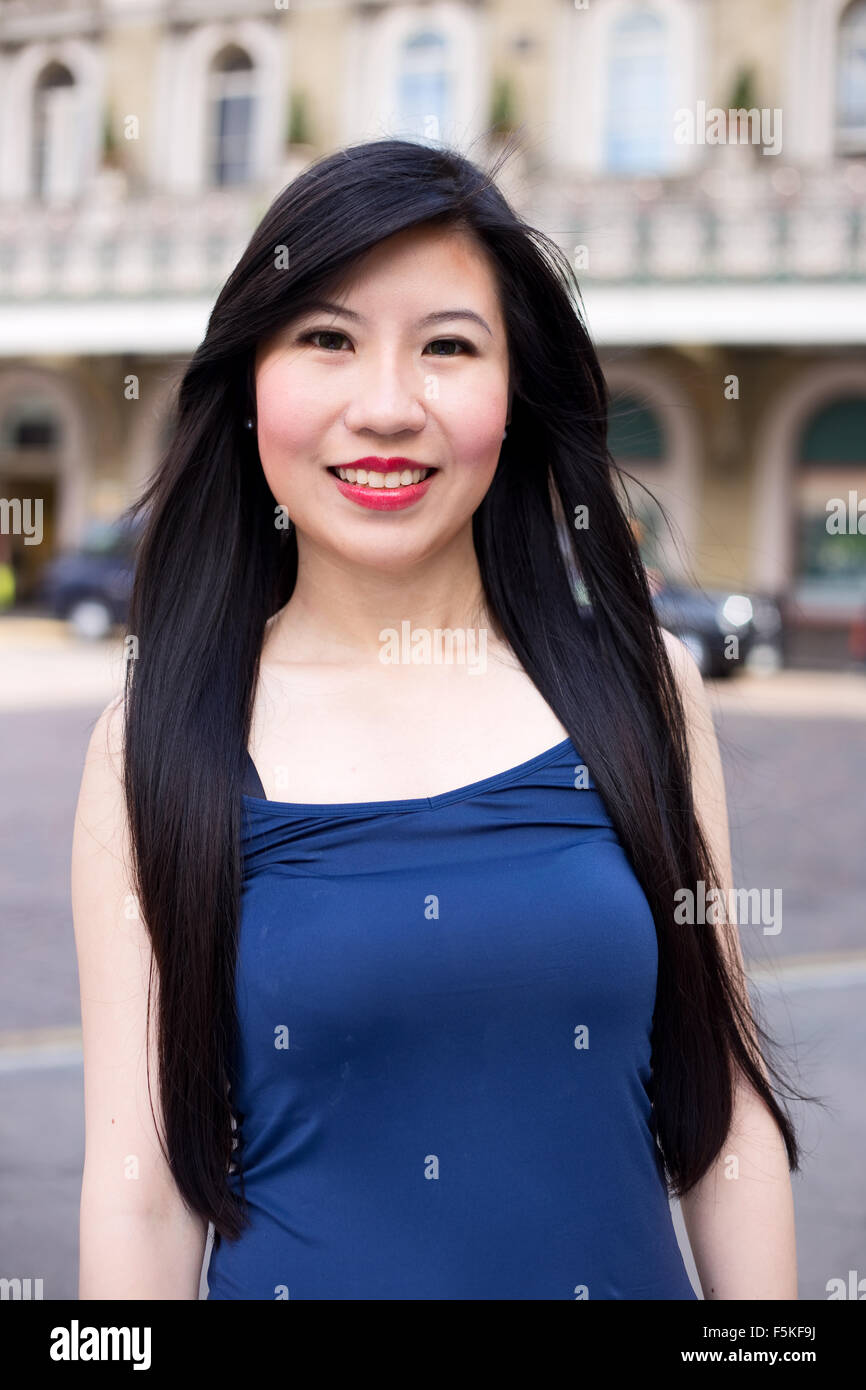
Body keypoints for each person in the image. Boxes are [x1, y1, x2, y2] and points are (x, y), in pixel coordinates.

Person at [72, 139, 802, 1301]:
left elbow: (723, 1122)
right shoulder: (153, 738)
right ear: (252, 379)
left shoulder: (643, 688)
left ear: (512, 395)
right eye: (325, 338)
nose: (384, 406)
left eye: (447, 347)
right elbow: (141, 1183)